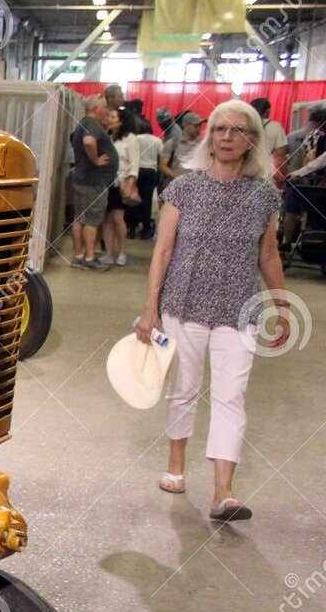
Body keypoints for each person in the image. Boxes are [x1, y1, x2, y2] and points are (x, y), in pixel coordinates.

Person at [136, 99, 292, 522]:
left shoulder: (264, 196)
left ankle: (224, 492)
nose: (226, 137)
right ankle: (176, 465)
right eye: (220, 129)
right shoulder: (184, 189)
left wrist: (281, 306)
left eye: (237, 130)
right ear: (209, 137)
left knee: (231, 395)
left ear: (252, 140)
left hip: (239, 308)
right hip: (182, 304)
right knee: (184, 387)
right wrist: (150, 309)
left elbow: (269, 254)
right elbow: (162, 252)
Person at [70, 94, 118, 269]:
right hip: (93, 181)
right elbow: (89, 142)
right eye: (104, 107)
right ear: (96, 108)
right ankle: (89, 259)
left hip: (82, 179)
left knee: (79, 218)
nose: (106, 111)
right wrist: (96, 160)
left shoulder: (83, 123)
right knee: (91, 219)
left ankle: (78, 256)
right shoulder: (92, 125)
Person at [281, 104, 326, 248]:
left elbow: (311, 160)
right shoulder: (317, 136)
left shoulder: (305, 135)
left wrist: (298, 172)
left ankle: (287, 242)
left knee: (293, 208)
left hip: (307, 183)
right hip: (315, 184)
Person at [104, 107, 132, 265]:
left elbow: (134, 163)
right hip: (106, 182)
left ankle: (122, 252)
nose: (109, 119)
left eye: (113, 116)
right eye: (109, 116)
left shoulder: (130, 138)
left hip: (121, 182)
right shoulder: (106, 136)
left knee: (117, 217)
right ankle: (108, 253)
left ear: (121, 121)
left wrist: (130, 182)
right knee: (107, 219)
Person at [130, 116, 162, 241]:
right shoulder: (157, 140)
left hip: (138, 170)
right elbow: (161, 156)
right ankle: (145, 229)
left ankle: (132, 228)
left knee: (134, 199)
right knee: (147, 200)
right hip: (151, 171)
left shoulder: (136, 139)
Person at [249, 97, 289, 187]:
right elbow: (281, 155)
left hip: (243, 172)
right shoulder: (275, 127)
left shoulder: (243, 125)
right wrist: (282, 178)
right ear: (268, 111)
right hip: (265, 173)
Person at [159, 110, 204, 182]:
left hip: (197, 184)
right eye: (196, 126)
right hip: (176, 184)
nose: (199, 129)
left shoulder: (204, 144)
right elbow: (162, 166)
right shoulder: (172, 143)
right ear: (186, 125)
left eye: (200, 125)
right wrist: (177, 177)